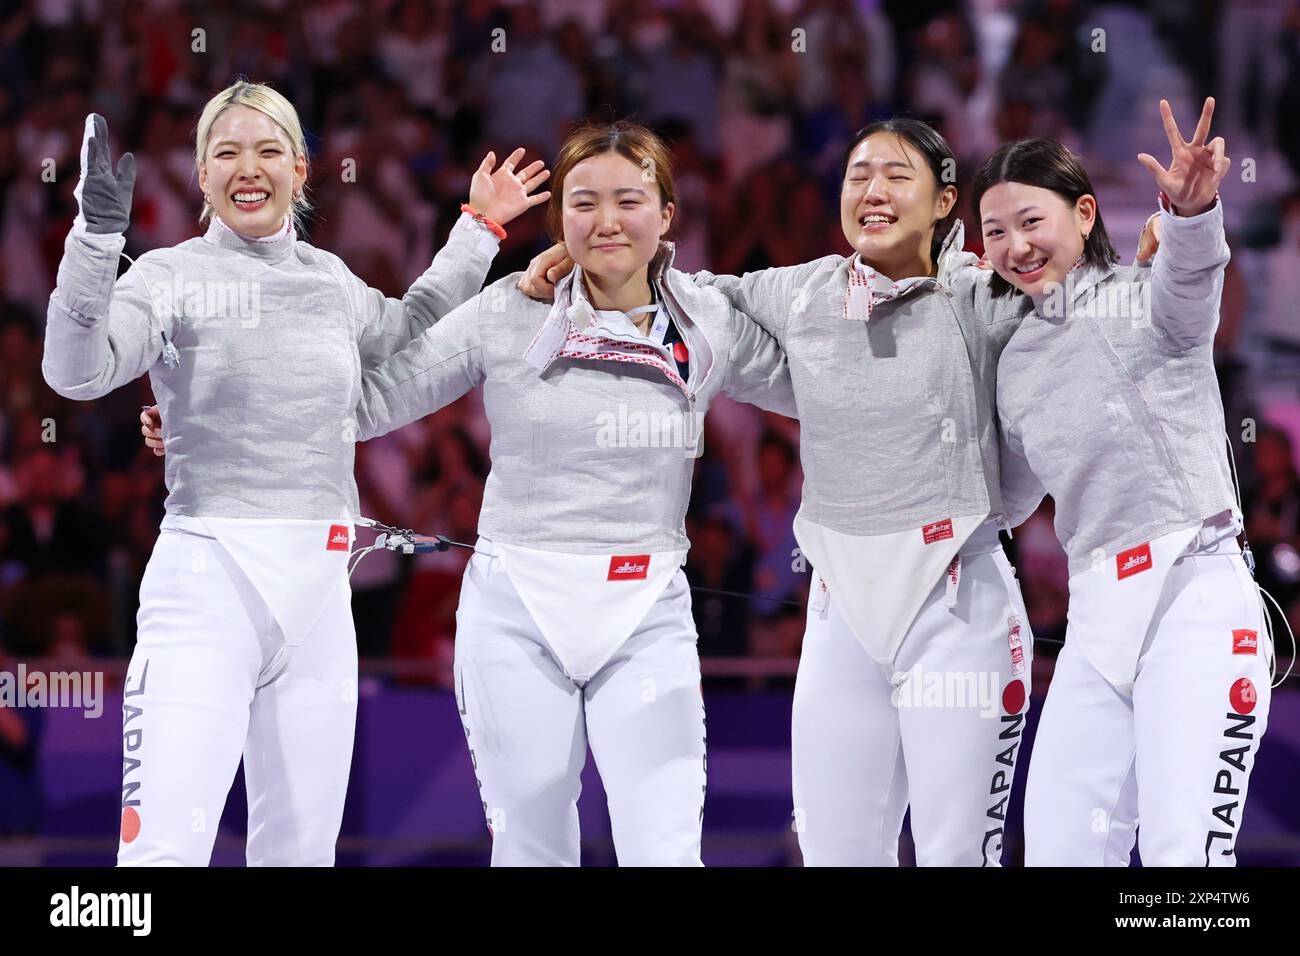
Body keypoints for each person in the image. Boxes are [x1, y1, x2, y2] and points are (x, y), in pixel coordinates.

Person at [42, 80, 549, 866]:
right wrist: (96, 238)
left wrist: (478, 228)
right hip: (207, 587)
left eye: (269, 150)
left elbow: (412, 327)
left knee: (301, 856)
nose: (250, 168)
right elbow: (75, 372)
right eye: (228, 153)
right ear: (204, 177)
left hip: (319, 600)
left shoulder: (331, 281)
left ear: (302, 168)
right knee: (162, 856)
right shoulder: (170, 276)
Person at [522, 119, 1044, 866]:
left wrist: (1180, 236)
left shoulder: (983, 297)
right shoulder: (806, 291)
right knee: (833, 852)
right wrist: (584, 272)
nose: (873, 190)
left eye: (898, 176)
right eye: (858, 174)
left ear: (944, 202)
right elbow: (694, 296)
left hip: (959, 604)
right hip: (841, 614)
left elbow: (1066, 336)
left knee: (958, 853)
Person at [350, 121, 794, 866]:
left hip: (645, 612)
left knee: (666, 851)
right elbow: (370, 401)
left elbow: (830, 392)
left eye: (629, 200)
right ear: (559, 219)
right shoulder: (509, 311)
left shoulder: (707, 321)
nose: (606, 221)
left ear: (666, 214)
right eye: (583, 202)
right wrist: (213, 419)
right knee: (531, 849)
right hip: (515, 612)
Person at [973, 98, 1272, 866]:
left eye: (1031, 221)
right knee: (1060, 854)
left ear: (1083, 211)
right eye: (996, 231)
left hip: (1194, 596)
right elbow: (1003, 501)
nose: (1016, 246)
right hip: (1098, 618)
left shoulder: (1149, 293)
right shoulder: (1014, 365)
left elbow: (1195, 273)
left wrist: (1191, 208)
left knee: (1186, 866)